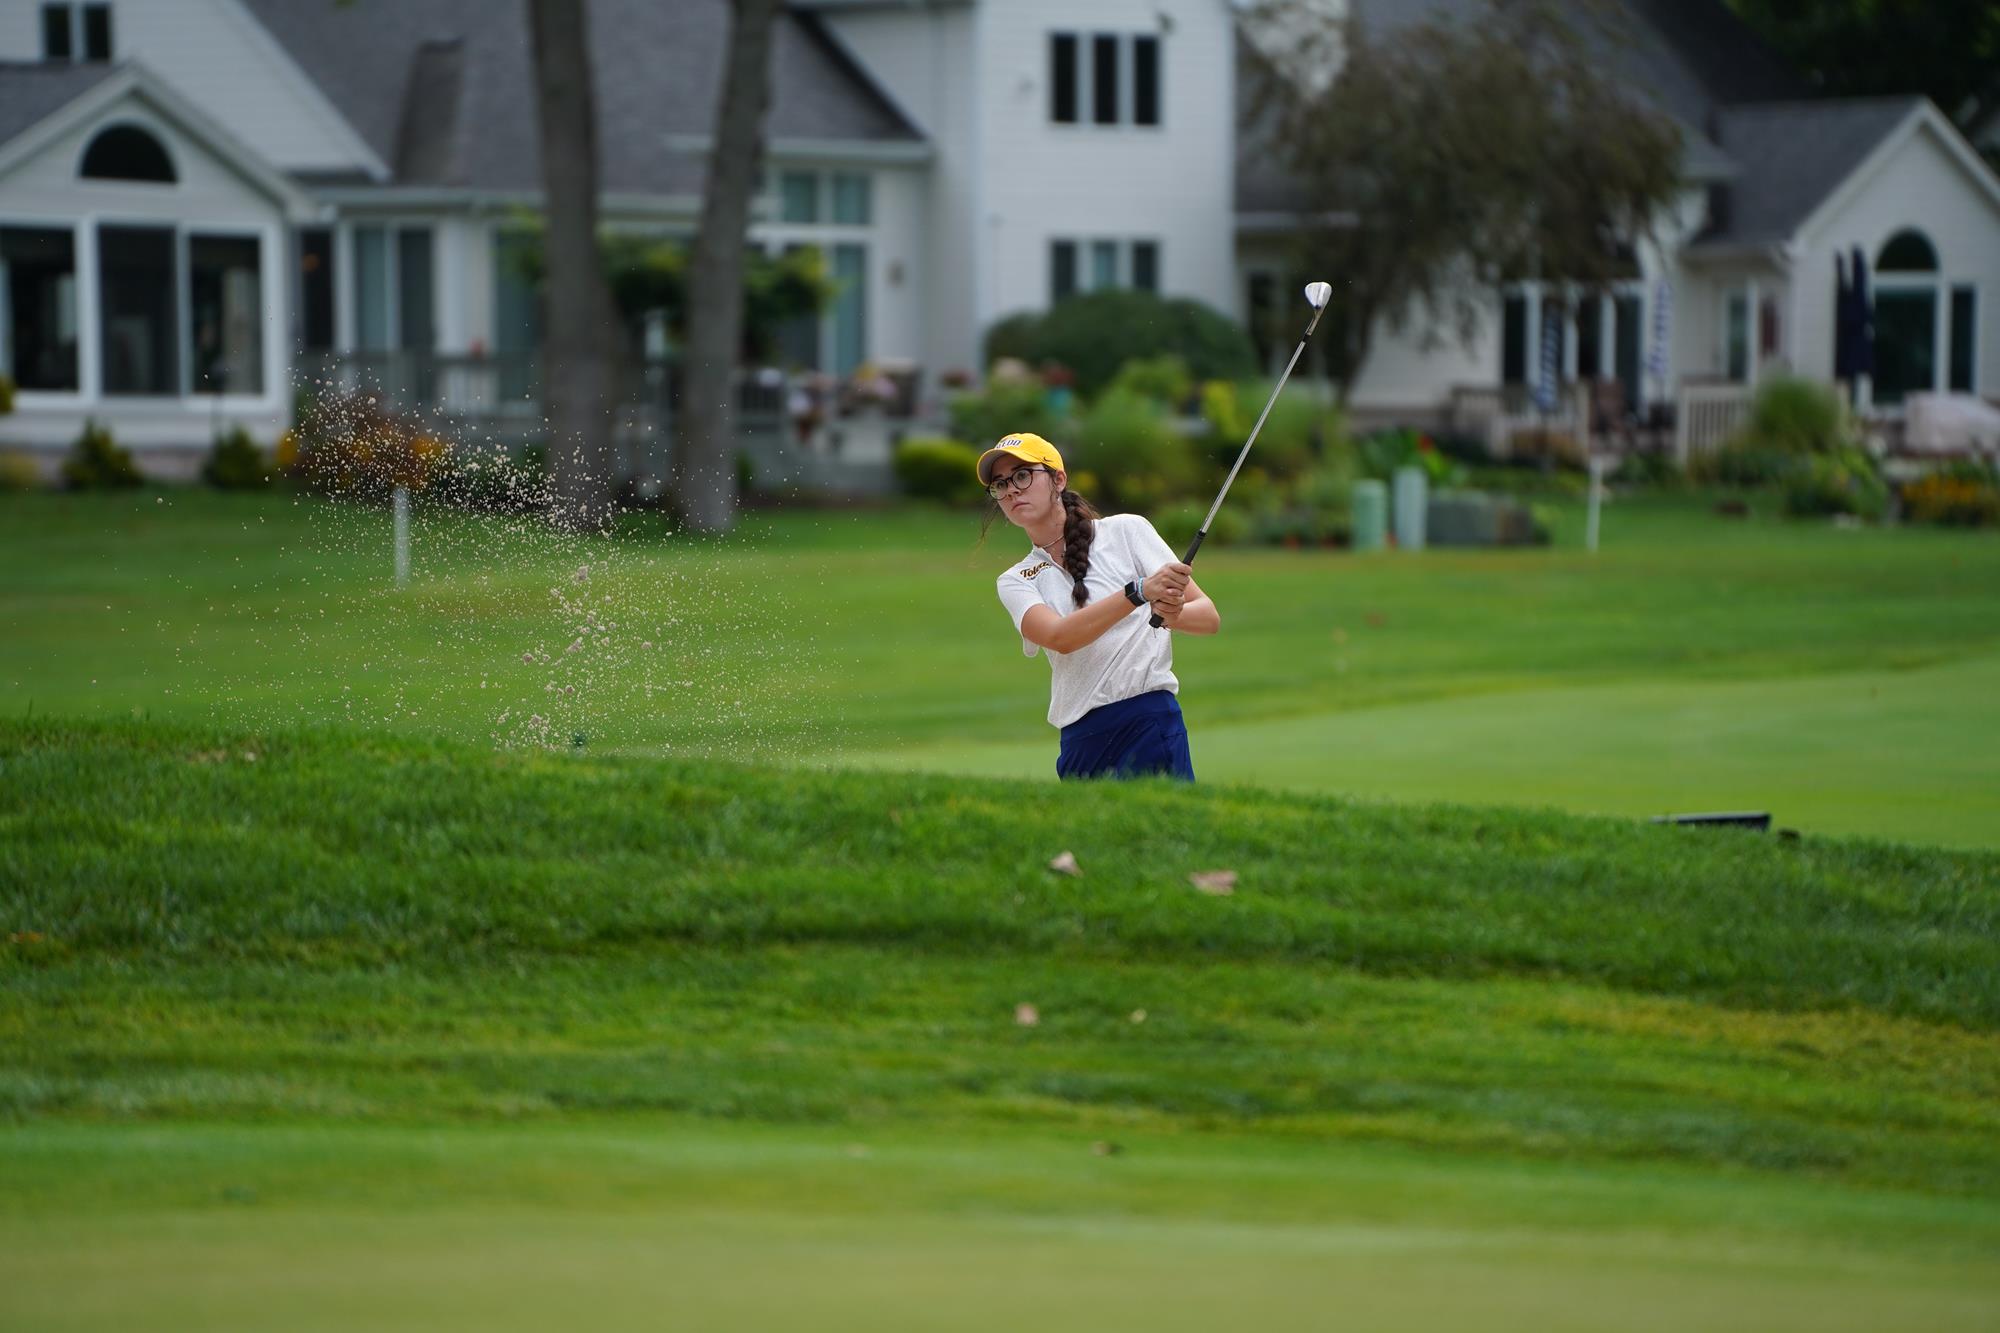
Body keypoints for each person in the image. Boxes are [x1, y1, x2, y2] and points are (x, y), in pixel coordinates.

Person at [979, 432, 1219, 781]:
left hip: (1148, 720)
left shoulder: (1126, 531)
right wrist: (1137, 593)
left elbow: (1208, 617)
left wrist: (1174, 614)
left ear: (1058, 479)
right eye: (999, 485)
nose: (1012, 490)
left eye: (1022, 475)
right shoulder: (1016, 579)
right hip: (1082, 740)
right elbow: (1060, 637)